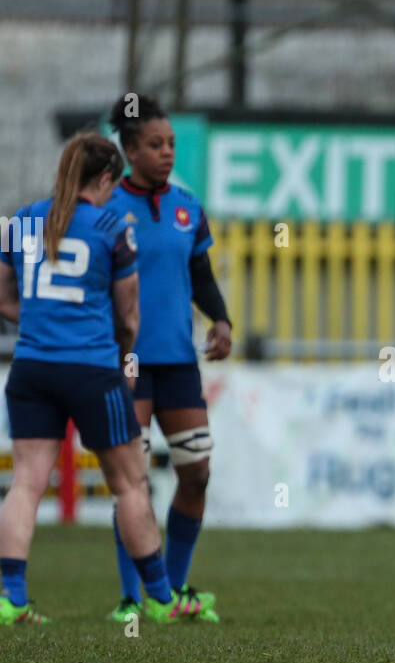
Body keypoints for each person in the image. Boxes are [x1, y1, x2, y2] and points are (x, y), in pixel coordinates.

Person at [0, 134, 179, 624]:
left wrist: (41, 319)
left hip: (31, 368)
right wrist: (121, 358)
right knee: (129, 484)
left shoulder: (21, 220)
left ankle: (11, 598)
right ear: (104, 179)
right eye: (111, 182)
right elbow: (128, 316)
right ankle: (162, 600)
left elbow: (3, 299)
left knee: (27, 484)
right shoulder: (110, 226)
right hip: (92, 368)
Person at [104, 95, 232, 623]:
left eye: (172, 144)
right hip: (126, 363)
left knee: (196, 473)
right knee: (132, 480)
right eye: (155, 145)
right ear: (129, 150)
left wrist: (221, 320)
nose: (166, 153)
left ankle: (172, 593)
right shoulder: (106, 208)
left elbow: (199, 274)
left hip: (179, 362)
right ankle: (133, 599)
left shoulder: (187, 206)